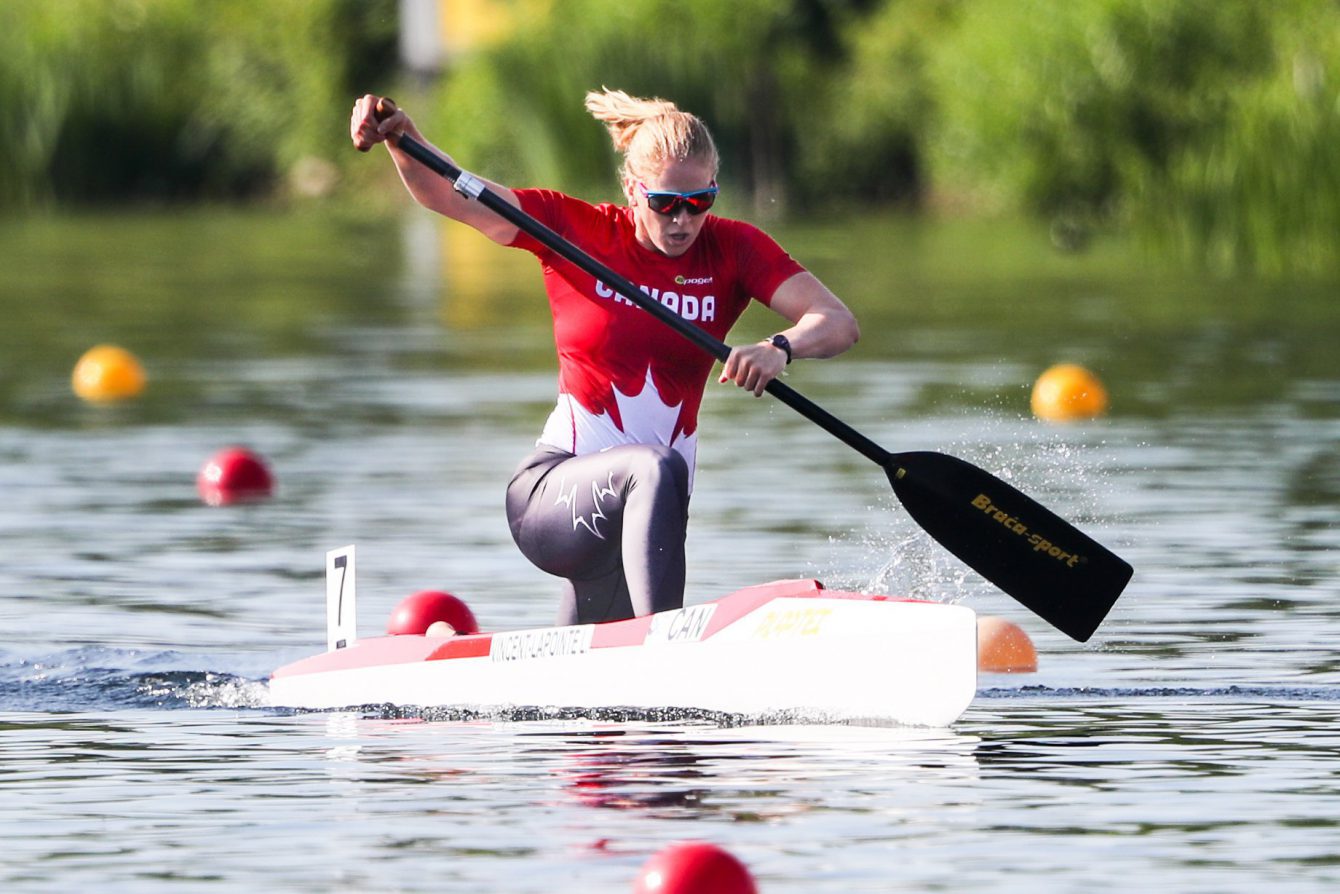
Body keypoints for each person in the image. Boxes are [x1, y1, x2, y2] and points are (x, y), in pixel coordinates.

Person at [350, 88, 859, 626]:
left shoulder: (733, 249)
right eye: (665, 203)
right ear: (631, 191)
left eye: (699, 201)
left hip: (634, 535)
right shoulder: (576, 231)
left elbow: (837, 323)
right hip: (552, 499)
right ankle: (668, 647)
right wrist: (403, 141)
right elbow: (453, 193)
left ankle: (620, 673)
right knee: (656, 467)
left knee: (593, 700)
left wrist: (780, 346)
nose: (683, 220)